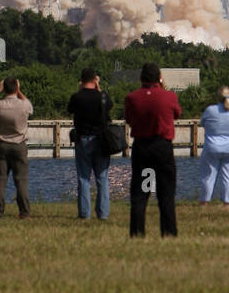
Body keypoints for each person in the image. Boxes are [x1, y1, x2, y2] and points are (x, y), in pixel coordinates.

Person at [124, 62, 181, 238]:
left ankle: (137, 233)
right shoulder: (169, 96)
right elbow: (176, 114)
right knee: (166, 193)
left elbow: (128, 119)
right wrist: (162, 89)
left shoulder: (132, 98)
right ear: (160, 78)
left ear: (141, 78)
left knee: (141, 192)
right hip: (162, 149)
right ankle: (169, 232)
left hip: (143, 148)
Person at [67, 68, 112, 221]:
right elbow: (109, 106)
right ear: (95, 79)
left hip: (82, 139)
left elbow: (70, 109)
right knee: (102, 177)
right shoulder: (102, 97)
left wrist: (79, 90)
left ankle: (85, 213)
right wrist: (99, 88)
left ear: (81, 80)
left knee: (83, 177)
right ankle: (103, 213)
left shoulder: (77, 97)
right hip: (100, 140)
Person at [0, 75, 33, 220]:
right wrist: (19, 90)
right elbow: (28, 104)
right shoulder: (23, 105)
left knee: (0, 179)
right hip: (19, 144)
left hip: (2, 144)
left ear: (4, 89)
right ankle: (24, 211)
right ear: (16, 88)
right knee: (21, 180)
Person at [198, 86, 229, 206]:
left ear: (218, 97)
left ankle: (204, 202)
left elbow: (202, 123)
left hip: (212, 147)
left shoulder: (210, 110)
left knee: (208, 176)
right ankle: (227, 203)